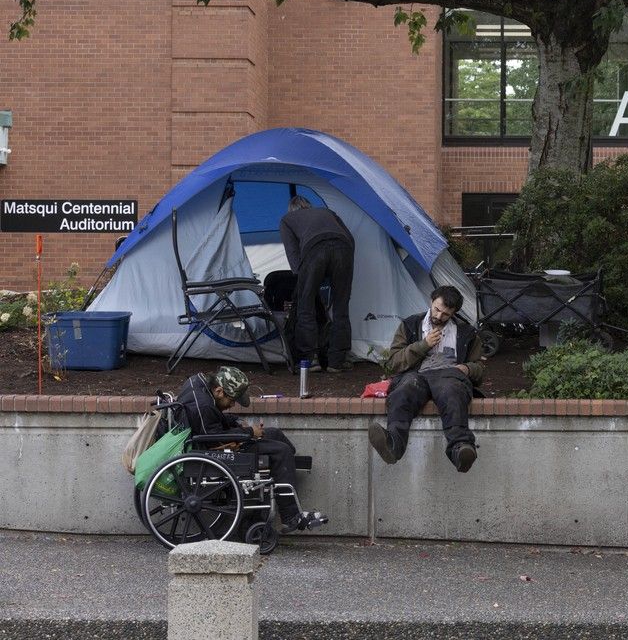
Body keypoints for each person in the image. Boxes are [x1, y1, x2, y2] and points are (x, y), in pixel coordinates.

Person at [176, 366, 328, 532]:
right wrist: (248, 432)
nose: (232, 404)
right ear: (219, 391)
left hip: (213, 439)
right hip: (215, 450)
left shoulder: (199, 385)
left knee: (275, 435)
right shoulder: (204, 405)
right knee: (281, 451)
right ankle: (291, 516)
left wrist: (236, 422)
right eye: (232, 400)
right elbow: (215, 436)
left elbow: (212, 421)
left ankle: (284, 471)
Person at [368, 285, 485, 472]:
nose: (439, 316)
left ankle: (461, 449)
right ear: (431, 301)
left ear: (454, 313)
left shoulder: (466, 332)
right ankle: (392, 445)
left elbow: (479, 368)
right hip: (416, 376)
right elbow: (393, 363)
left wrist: (467, 368)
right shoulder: (410, 325)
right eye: (437, 309)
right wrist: (423, 345)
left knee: (452, 392)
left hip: (449, 375)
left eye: (446, 314)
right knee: (404, 391)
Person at [279, 195, 355, 372]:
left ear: (292, 209)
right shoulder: (327, 212)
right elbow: (350, 239)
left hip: (314, 250)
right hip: (344, 249)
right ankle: (336, 361)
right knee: (341, 307)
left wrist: (307, 283)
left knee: (306, 307)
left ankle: (310, 359)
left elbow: (293, 256)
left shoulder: (287, 219)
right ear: (308, 206)